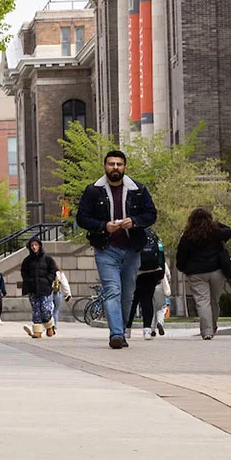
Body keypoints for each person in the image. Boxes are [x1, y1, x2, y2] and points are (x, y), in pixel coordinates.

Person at [74, 147, 158, 349]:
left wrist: (135, 221)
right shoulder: (93, 190)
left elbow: (151, 214)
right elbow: (82, 218)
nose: (115, 168)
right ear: (105, 166)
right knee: (112, 290)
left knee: (127, 294)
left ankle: (121, 330)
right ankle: (116, 335)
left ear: (125, 167)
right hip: (106, 248)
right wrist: (104, 226)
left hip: (132, 249)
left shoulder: (138, 189)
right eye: (111, 164)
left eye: (119, 164)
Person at [174, 207, 231, 339]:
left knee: (202, 301)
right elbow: (229, 231)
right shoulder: (216, 232)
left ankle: (207, 331)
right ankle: (212, 326)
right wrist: (216, 223)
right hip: (216, 271)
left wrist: (182, 268)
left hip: (196, 272)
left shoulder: (187, 236)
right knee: (214, 301)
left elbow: (181, 255)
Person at [18, 237, 60, 338]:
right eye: (32, 245)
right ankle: (37, 331)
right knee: (36, 310)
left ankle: (50, 327)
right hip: (33, 289)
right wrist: (28, 281)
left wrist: (48, 280)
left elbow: (53, 270)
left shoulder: (47, 259)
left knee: (46, 310)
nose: (34, 247)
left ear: (39, 246)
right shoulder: (27, 260)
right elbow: (23, 272)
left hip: (45, 289)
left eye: (36, 245)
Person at [132, 230, 168, 338]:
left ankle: (126, 329)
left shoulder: (131, 233)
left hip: (135, 271)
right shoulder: (154, 235)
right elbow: (161, 255)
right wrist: (161, 274)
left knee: (132, 302)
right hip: (152, 271)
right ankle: (148, 329)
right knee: (148, 301)